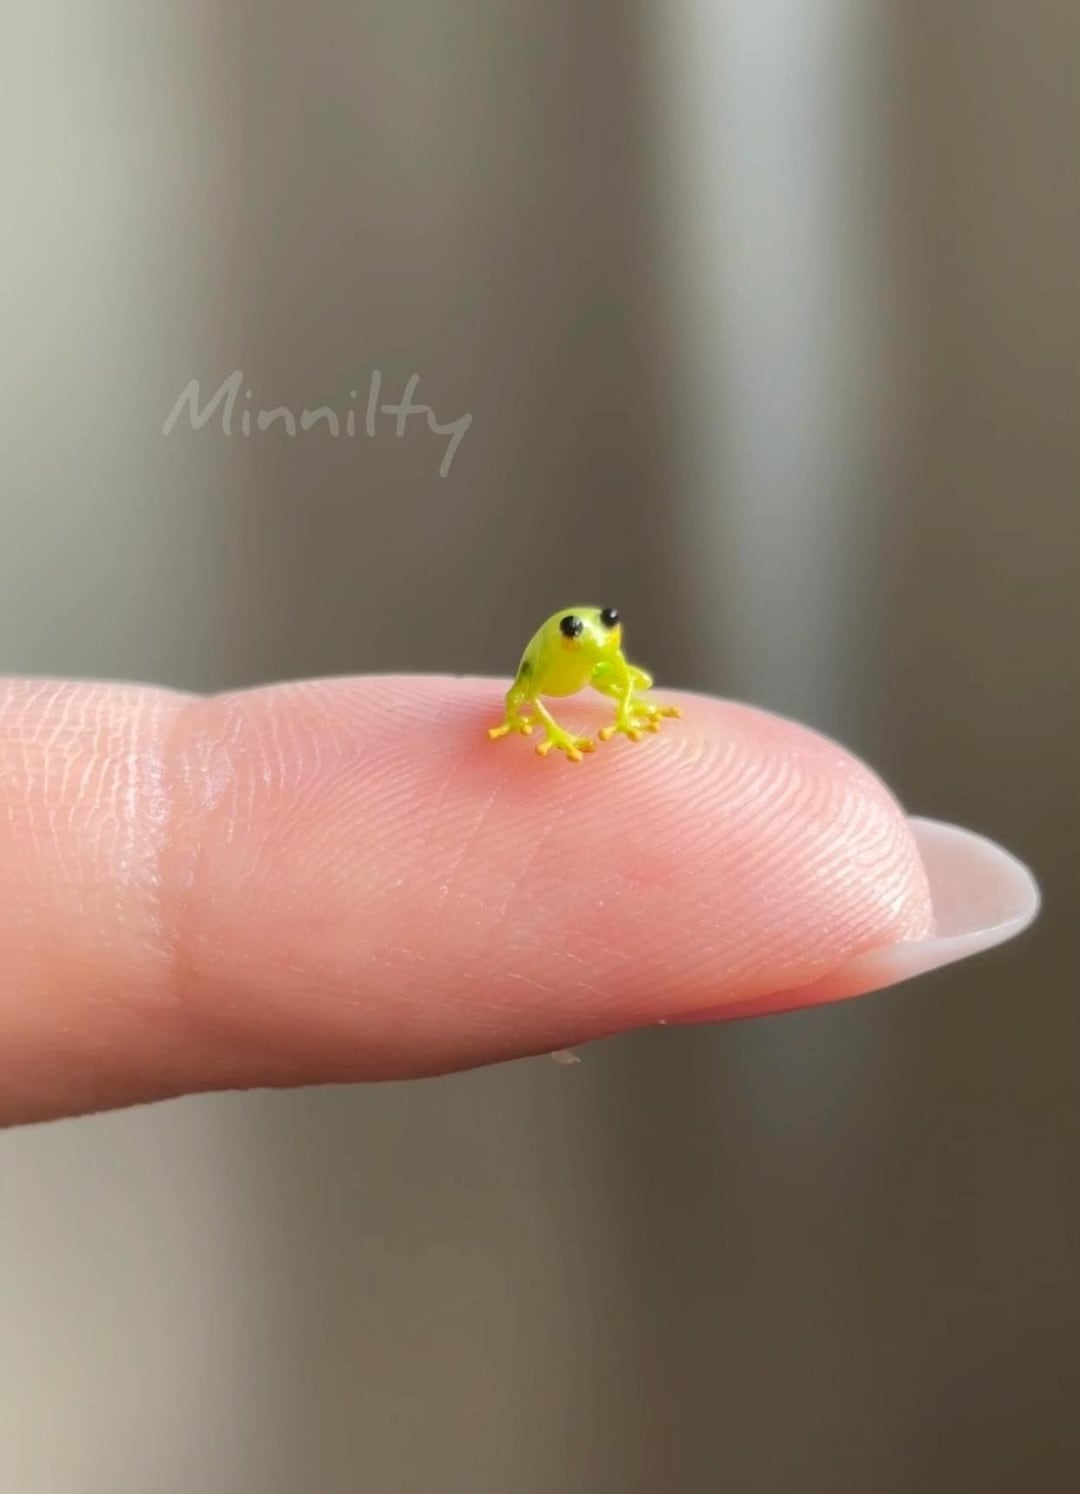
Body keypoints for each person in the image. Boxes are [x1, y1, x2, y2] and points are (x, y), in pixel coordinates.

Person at [0, 674, 1038, 1126]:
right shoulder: (550, 673)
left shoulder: (608, 667)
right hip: (532, 721)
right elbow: (529, 698)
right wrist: (532, 729)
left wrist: (617, 716)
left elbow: (615, 686)